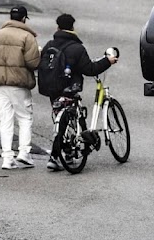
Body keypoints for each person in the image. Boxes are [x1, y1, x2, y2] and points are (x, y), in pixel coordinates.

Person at [41, 13, 117, 171]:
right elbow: (90, 69)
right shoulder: (77, 48)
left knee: (61, 120)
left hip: (52, 90)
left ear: (58, 27)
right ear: (73, 27)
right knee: (71, 119)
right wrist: (107, 61)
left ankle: (63, 154)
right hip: (70, 88)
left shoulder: (49, 45)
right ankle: (60, 155)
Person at [0, 5, 41, 170]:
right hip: (19, 84)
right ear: (24, 19)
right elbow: (33, 63)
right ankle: (24, 153)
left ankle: (7, 158)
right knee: (24, 118)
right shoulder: (27, 37)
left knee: (5, 121)